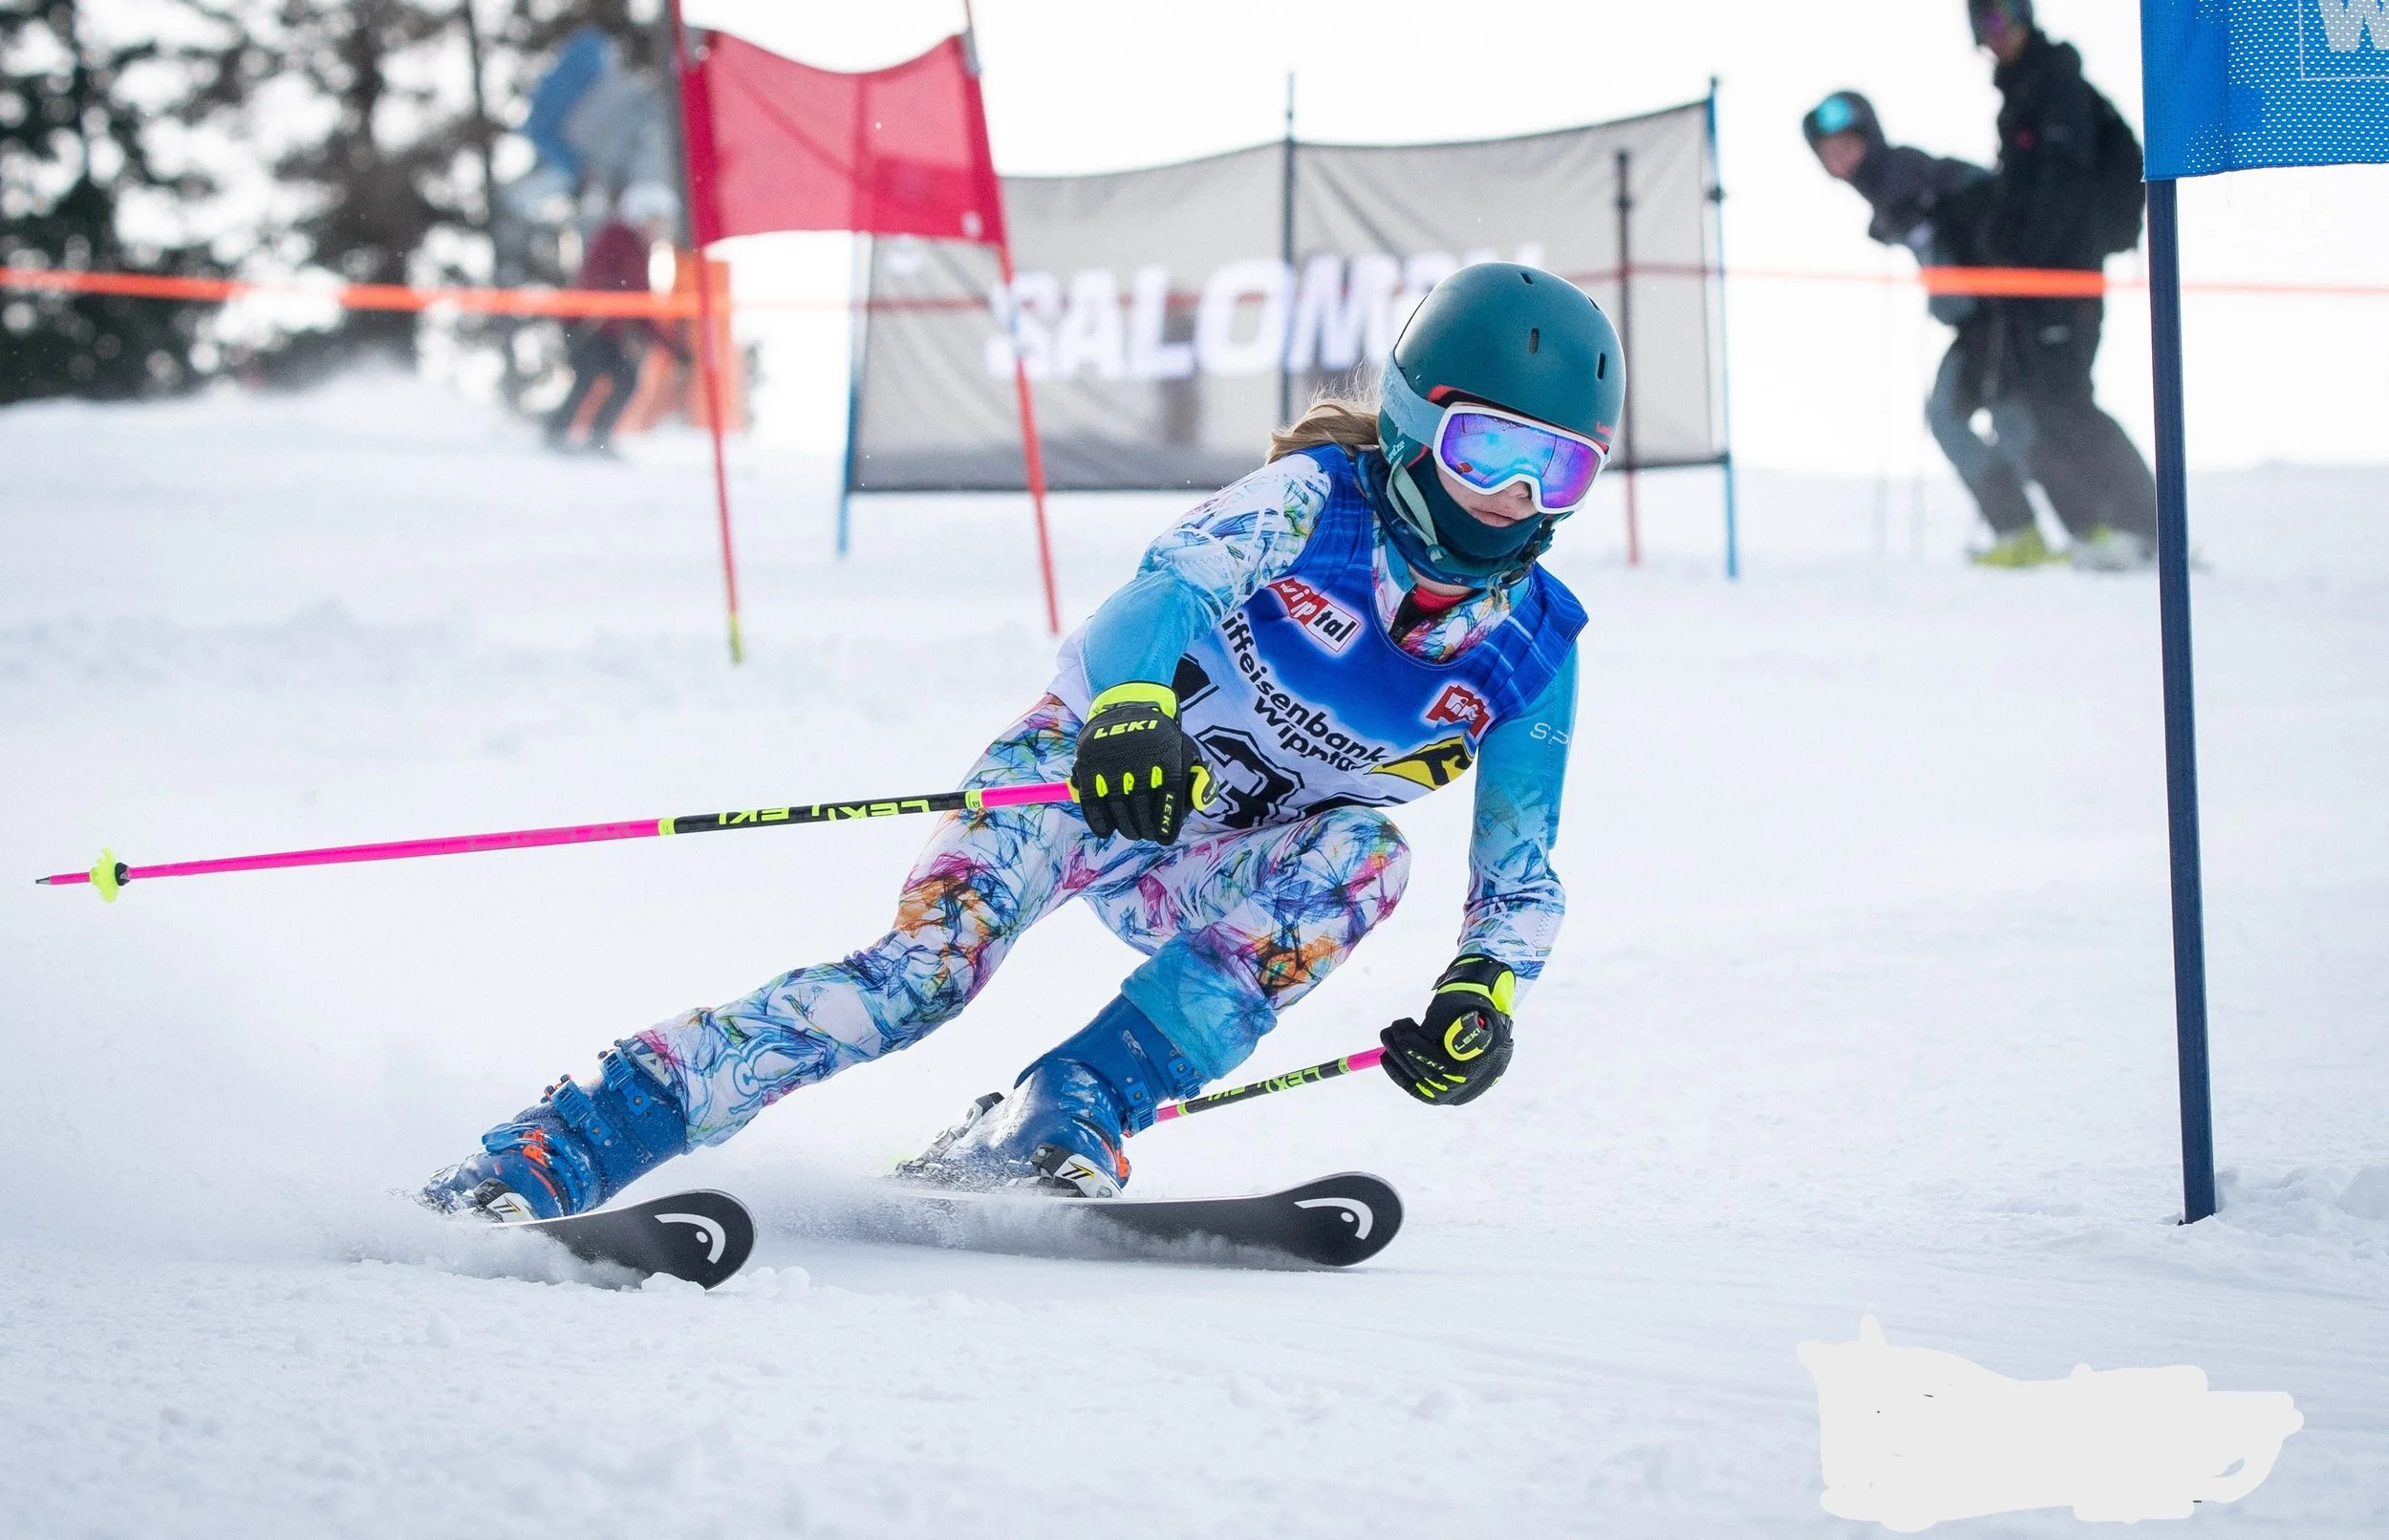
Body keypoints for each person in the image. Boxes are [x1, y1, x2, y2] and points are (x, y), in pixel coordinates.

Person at [423, 263, 1619, 1219]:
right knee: (917, 984)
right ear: (1416, 423)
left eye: (1555, 467)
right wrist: (1134, 707)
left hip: (1213, 861)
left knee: (1370, 856)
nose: (1516, 496)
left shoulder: (1531, 647)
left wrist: (1484, 988)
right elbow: (1159, 595)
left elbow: (1519, 871)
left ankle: (1074, 1101)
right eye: (1489, 452)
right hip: (1087, 783)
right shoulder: (1312, 502)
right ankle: (573, 1135)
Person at [1802, 91, 2056, 568]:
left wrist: (1942, 243)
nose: (1838, 157)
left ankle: (2047, 527)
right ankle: (2024, 532)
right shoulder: (1886, 185)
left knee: (1999, 421)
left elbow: (1972, 194)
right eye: (1827, 150)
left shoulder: (1897, 171)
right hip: (1982, 319)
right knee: (1979, 417)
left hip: (1994, 318)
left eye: (1846, 143)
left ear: (1869, 138)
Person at [1969, 0, 2160, 571]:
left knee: (2068, 404)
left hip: (2062, 276)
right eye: (1983, 25)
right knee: (2048, 406)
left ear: (2026, 16)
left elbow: (2061, 186)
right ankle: (2118, 525)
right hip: (2043, 278)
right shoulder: (2026, 89)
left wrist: (2023, 261)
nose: (1994, 34)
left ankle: (2147, 526)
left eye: (2003, 18)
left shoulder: (2054, 83)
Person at [543, 182, 684, 456]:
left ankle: (598, 439)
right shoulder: (617, 238)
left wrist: (671, 347)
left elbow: (640, 308)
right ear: (639, 215)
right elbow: (596, 279)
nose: (657, 229)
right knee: (589, 376)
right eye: (654, 220)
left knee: (625, 379)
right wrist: (608, 297)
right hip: (587, 325)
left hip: (608, 330)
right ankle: (555, 435)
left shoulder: (639, 251)